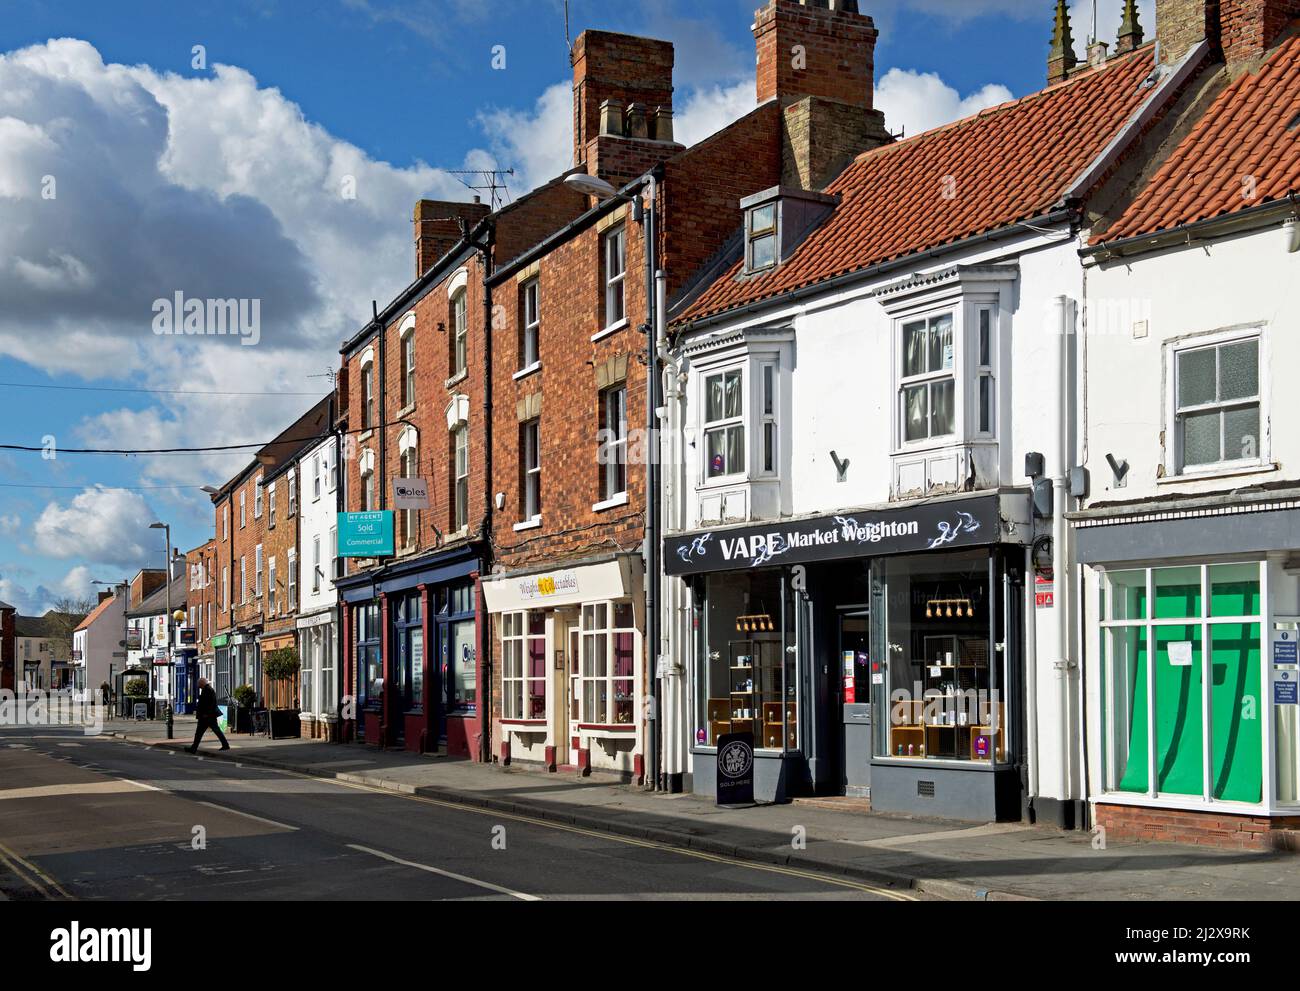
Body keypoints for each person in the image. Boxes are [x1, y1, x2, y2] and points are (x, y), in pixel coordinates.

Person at [188, 677, 230, 753]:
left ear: (202, 683)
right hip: (208, 716)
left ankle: (194, 748)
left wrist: (206, 714)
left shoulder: (207, 690)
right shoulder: (207, 689)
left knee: (200, 733)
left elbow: (209, 704)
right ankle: (225, 745)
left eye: (199, 683)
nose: (198, 685)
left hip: (206, 716)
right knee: (212, 731)